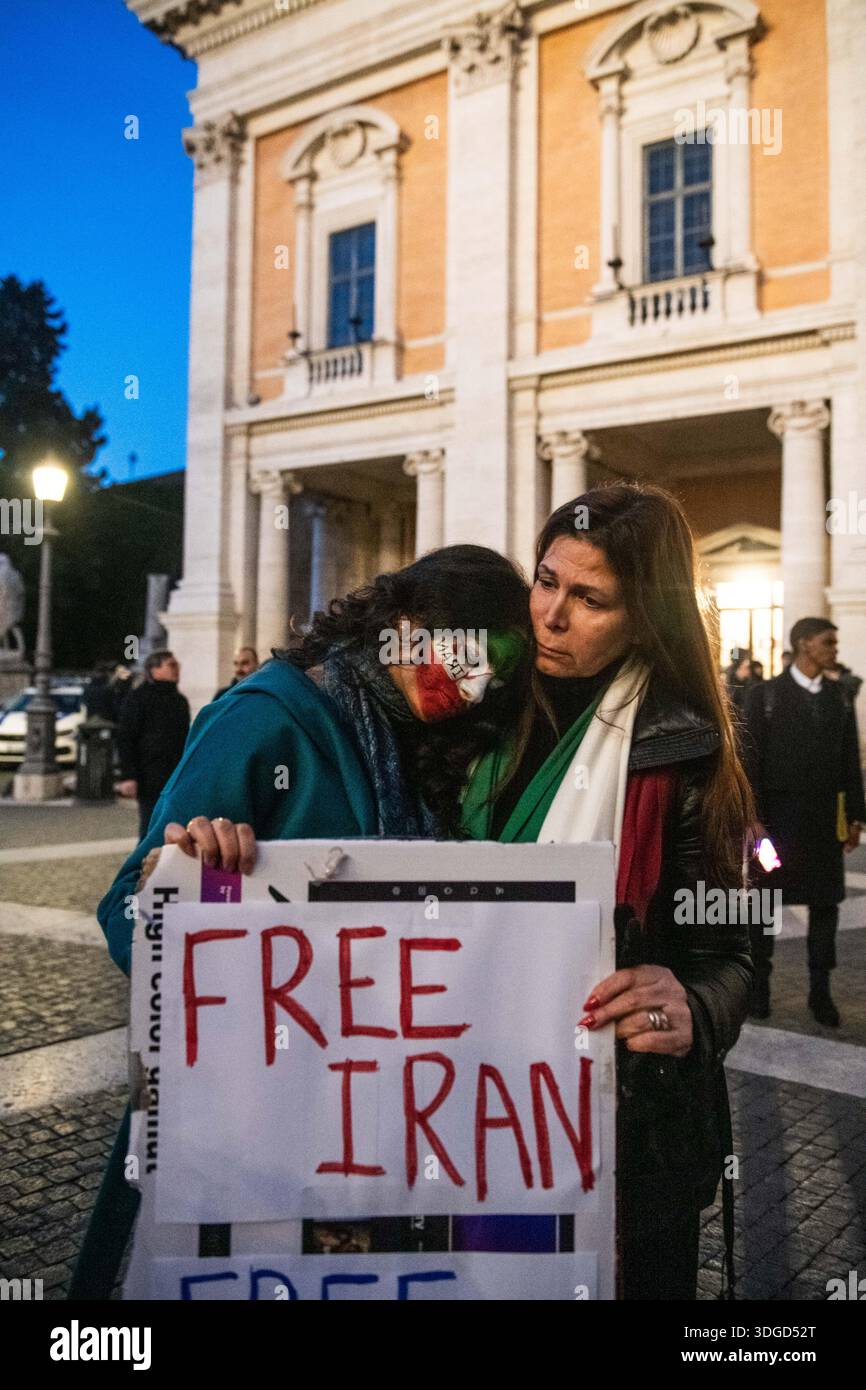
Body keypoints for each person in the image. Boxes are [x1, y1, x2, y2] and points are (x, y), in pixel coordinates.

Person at [69, 545, 532, 1299]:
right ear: (403, 627)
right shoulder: (264, 718)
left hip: (372, 1123)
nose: (474, 687)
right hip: (246, 1114)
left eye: (496, 675)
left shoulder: (434, 746)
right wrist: (194, 876)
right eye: (463, 656)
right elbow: (131, 905)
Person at [459, 483, 755, 1300]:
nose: (551, 615)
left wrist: (692, 1003)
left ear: (646, 618)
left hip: (630, 1137)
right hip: (461, 1107)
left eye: (590, 599)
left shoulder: (686, 751)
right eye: (546, 580)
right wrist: (228, 852)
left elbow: (734, 953)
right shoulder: (469, 717)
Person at [742, 617, 865, 1026]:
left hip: (822, 827)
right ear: (804, 644)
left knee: (825, 906)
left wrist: (856, 817)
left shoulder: (841, 697)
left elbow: (850, 761)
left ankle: (820, 992)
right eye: (828, 641)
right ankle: (759, 989)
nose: (835, 648)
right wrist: (753, 821)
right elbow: (749, 764)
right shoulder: (765, 697)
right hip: (774, 828)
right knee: (763, 907)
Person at [115, 650, 191, 839]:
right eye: (171, 665)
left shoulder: (179, 700)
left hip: (176, 775)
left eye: (177, 665)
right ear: (154, 670)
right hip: (148, 775)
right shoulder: (138, 697)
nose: (177, 669)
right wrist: (128, 776)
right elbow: (126, 737)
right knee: (150, 826)